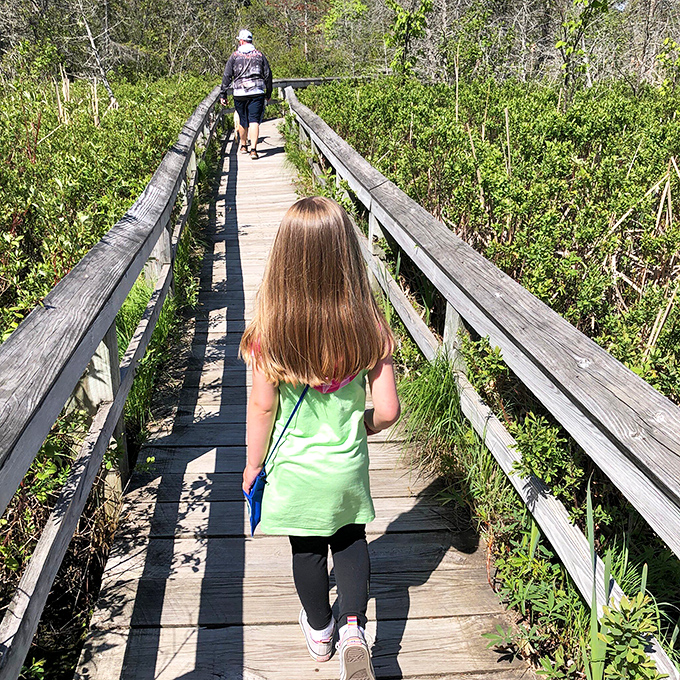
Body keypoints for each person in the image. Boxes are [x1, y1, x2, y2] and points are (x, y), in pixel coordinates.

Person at [239, 197, 401, 680]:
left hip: (294, 472)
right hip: (345, 469)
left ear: (284, 262)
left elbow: (262, 407)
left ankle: (320, 630)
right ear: (348, 256)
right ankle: (355, 627)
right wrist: (364, 426)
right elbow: (389, 410)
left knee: (307, 550)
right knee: (350, 540)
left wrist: (252, 465)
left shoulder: (271, 332)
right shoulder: (369, 328)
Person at [220, 29, 273, 160]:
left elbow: (227, 75)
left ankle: (243, 146)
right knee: (254, 120)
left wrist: (223, 94)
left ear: (242, 41)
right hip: (257, 92)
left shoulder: (234, 56)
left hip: (239, 92)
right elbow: (268, 74)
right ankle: (254, 150)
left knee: (243, 119)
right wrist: (268, 92)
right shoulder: (260, 56)